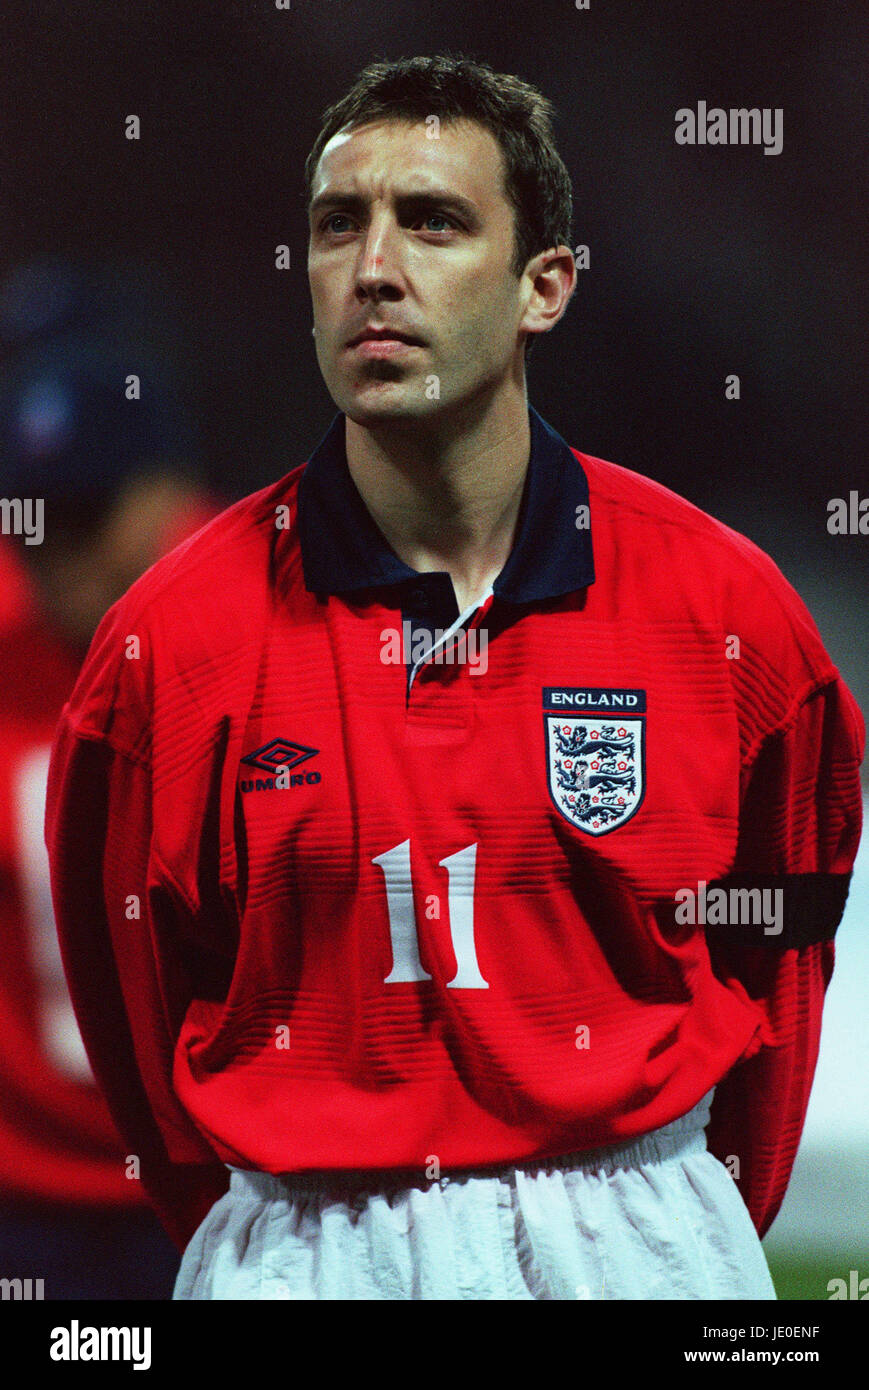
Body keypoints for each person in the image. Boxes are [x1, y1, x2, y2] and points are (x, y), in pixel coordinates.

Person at [45, 55, 864, 1301]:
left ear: (546, 285)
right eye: (337, 225)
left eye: (430, 220)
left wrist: (673, 1214)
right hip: (302, 1252)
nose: (373, 267)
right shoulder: (171, 645)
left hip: (641, 1239)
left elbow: (779, 971)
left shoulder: (728, 616)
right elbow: (132, 1016)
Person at [0, 264, 220, 1298]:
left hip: (220, 1183)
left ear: (172, 502)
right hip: (24, 1194)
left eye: (87, 519)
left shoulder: (266, 644)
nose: (58, 563)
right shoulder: (14, 641)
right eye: (34, 523)